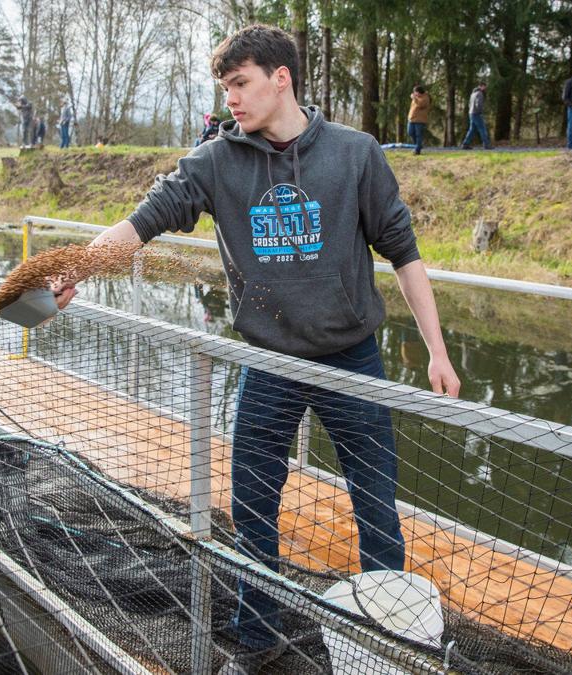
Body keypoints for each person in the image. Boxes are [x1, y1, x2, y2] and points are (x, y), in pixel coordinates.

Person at [50, 24, 461, 675]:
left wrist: (436, 350)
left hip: (352, 359)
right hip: (268, 363)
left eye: (239, 83)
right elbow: (144, 221)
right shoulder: (217, 161)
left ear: (281, 77)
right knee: (251, 507)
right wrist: (78, 263)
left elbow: (404, 253)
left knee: (378, 506)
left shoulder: (355, 155)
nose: (231, 98)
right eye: (224, 86)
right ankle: (256, 636)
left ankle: (393, 645)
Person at [461, 82, 491, 150]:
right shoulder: (479, 93)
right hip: (476, 113)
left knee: (472, 130)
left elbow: (469, 104)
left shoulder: (473, 94)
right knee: (482, 128)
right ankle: (486, 144)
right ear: (481, 86)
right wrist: (480, 111)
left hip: (471, 113)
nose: (485, 88)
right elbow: (478, 104)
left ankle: (465, 144)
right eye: (484, 87)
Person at [406, 84, 430, 155]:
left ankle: (417, 150)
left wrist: (414, 99)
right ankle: (418, 145)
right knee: (410, 132)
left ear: (419, 92)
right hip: (412, 119)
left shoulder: (425, 97)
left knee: (418, 135)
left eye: (415, 92)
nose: (414, 93)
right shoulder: (416, 98)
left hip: (420, 120)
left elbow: (421, 104)